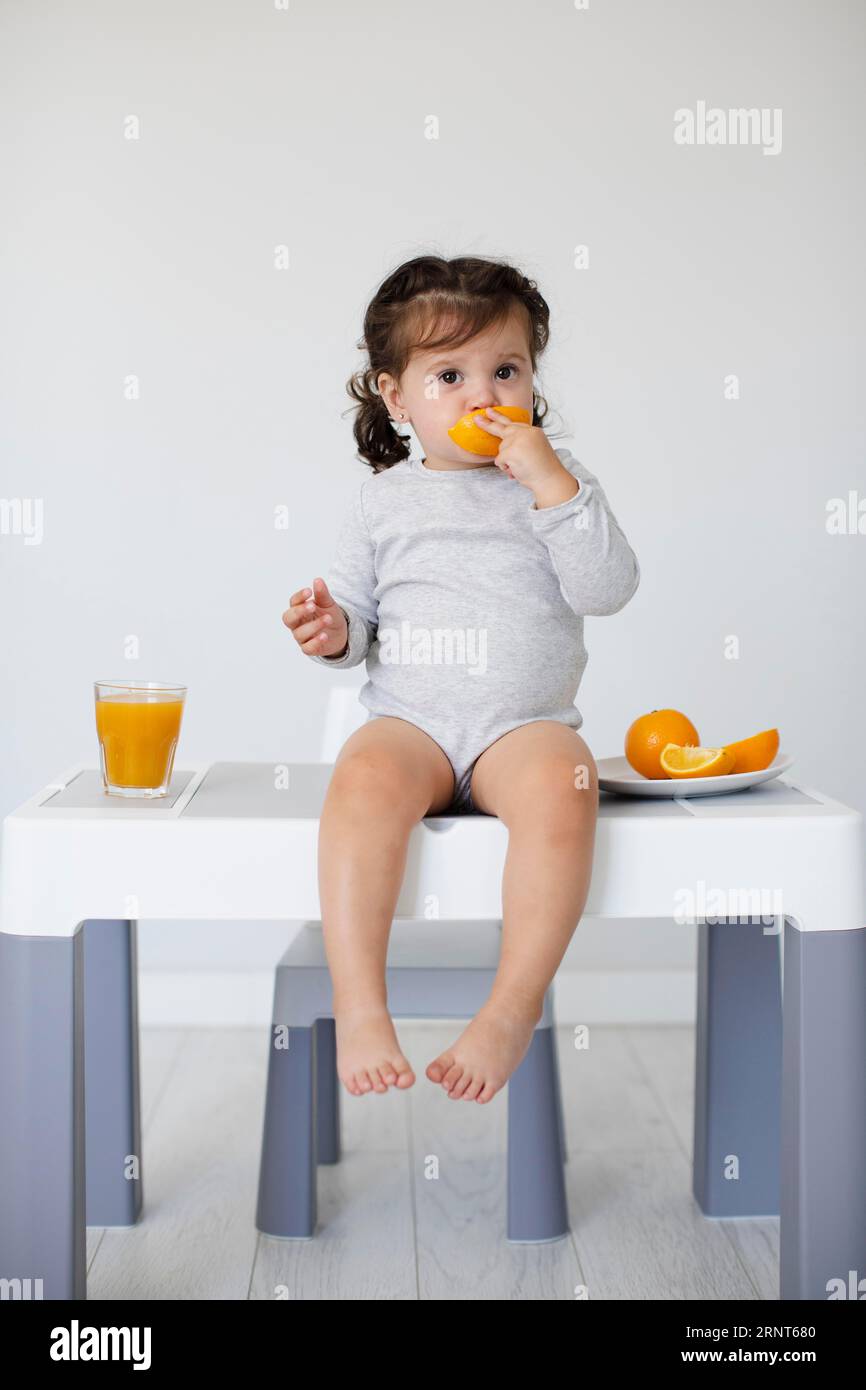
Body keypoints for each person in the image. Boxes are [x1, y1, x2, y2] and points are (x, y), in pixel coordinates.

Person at [282, 254, 640, 1104]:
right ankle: (361, 1004)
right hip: (416, 725)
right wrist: (334, 634)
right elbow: (359, 625)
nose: (486, 395)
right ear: (396, 398)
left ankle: (511, 1010)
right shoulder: (383, 502)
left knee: (567, 782)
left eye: (506, 371)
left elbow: (608, 590)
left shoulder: (561, 486)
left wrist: (552, 486)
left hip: (523, 726)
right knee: (363, 774)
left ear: (533, 381)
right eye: (450, 374)